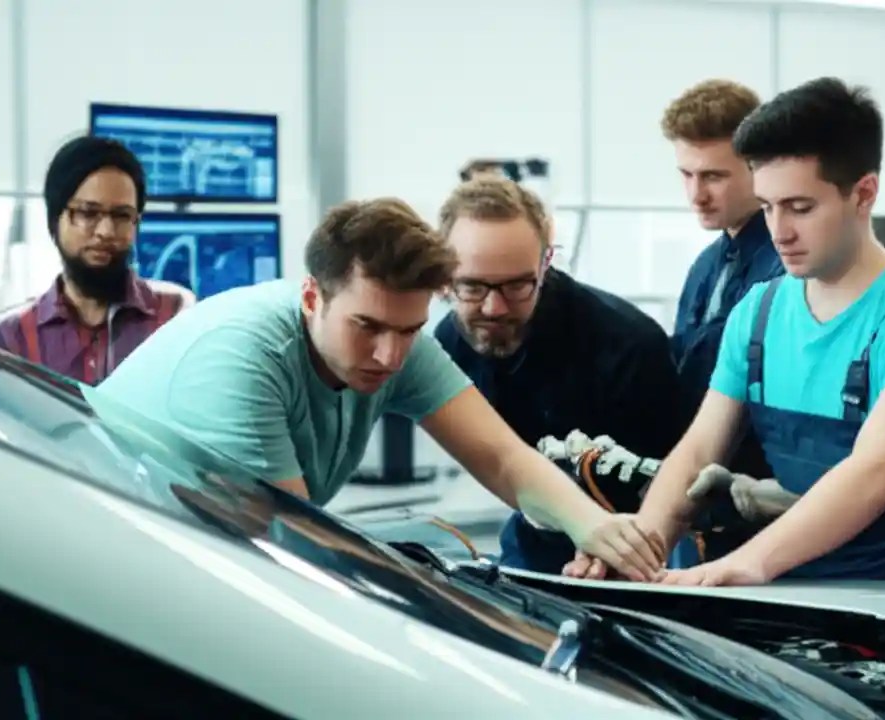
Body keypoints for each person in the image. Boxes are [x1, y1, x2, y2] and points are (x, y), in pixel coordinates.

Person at [93, 197, 665, 582]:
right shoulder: (242, 363)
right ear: (313, 297)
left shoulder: (399, 344)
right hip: (104, 559)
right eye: (367, 327)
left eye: (409, 330)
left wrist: (594, 527)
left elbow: (502, 456)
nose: (390, 356)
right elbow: (300, 544)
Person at [569, 77, 885, 586]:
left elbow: (877, 474)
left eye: (800, 208)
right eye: (767, 206)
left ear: (864, 193)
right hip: (793, 573)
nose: (779, 230)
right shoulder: (758, 310)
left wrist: (747, 563)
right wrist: (636, 550)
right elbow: (698, 451)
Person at [433, 176, 683, 572]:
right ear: (443, 276)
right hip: (533, 534)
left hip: (642, 547)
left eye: (517, 286)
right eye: (473, 287)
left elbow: (671, 482)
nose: (494, 308)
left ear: (546, 263)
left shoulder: (628, 344)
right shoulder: (446, 344)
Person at [660, 79, 786, 565]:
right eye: (686, 174)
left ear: (757, 167)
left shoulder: (788, 269)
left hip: (761, 504)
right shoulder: (704, 267)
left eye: (713, 176)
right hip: (698, 496)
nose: (696, 194)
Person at [0, 136, 191, 383]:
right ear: (55, 219)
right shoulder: (12, 339)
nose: (105, 231)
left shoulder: (175, 317)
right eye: (87, 213)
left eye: (121, 215)